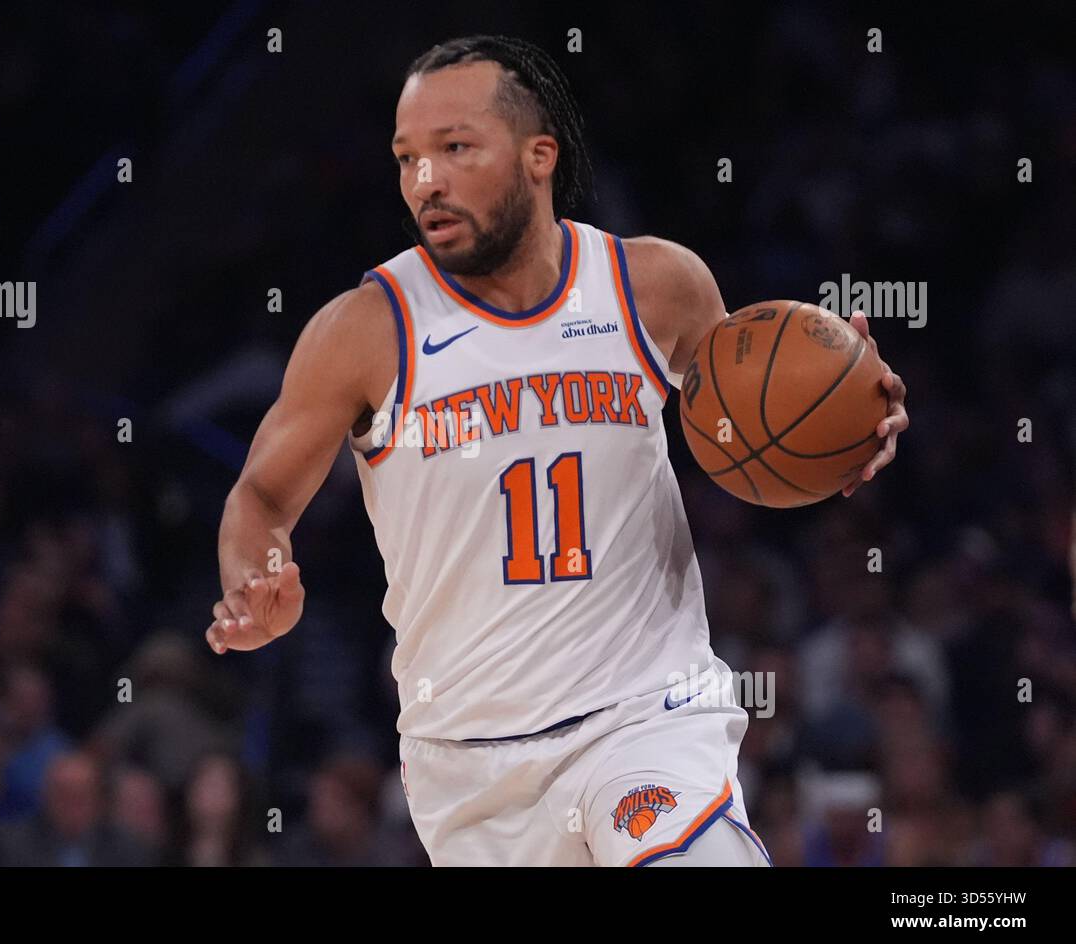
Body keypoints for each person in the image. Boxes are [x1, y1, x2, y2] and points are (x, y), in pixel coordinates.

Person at [209, 35, 908, 866]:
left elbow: (758, 411)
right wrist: (254, 584)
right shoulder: (365, 330)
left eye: (454, 149)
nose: (424, 181)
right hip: (470, 763)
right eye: (407, 158)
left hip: (645, 716)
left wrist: (854, 414)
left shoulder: (653, 287)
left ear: (540, 156)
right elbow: (260, 496)